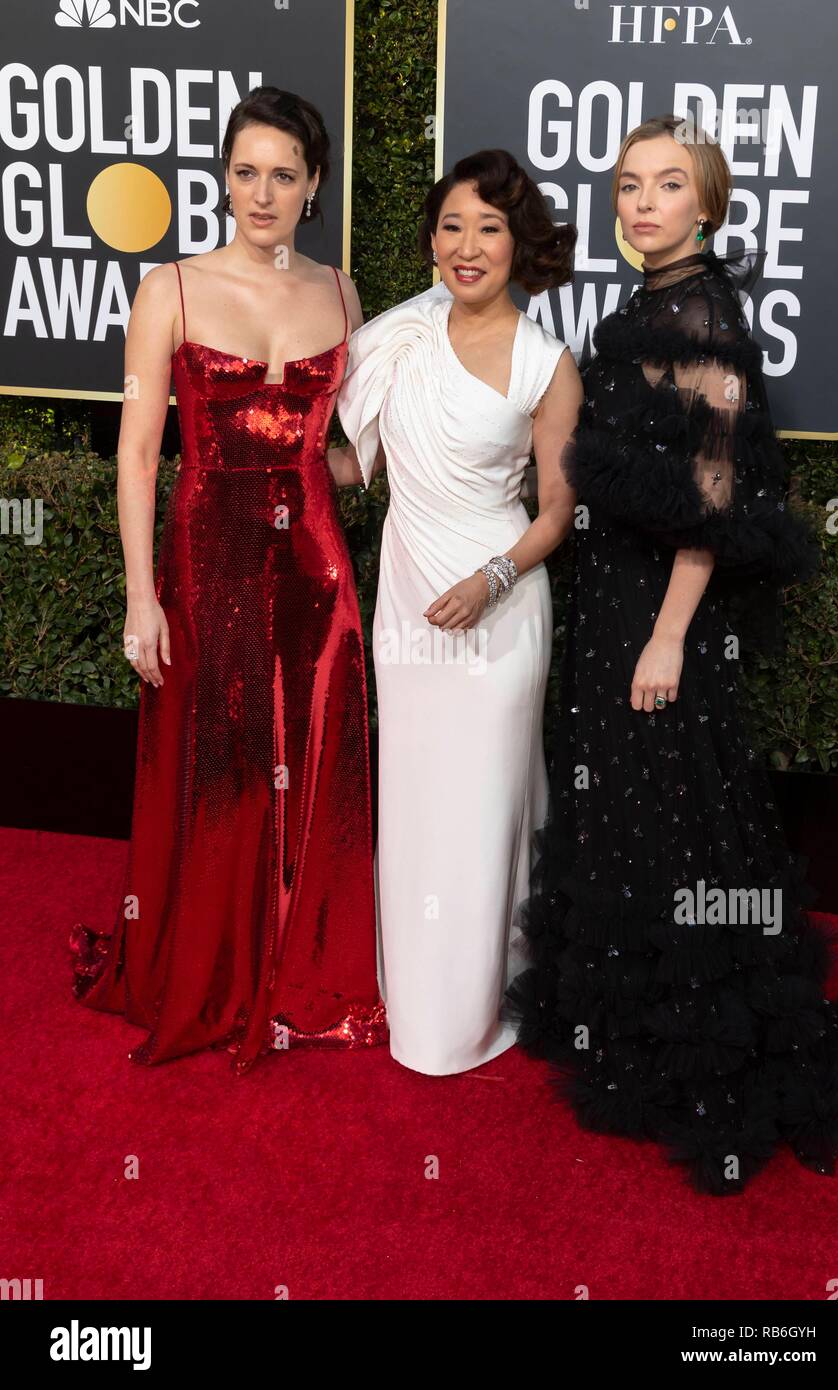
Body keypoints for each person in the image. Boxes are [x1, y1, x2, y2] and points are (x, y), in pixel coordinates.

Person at [505, 115, 838, 1193]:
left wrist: (666, 635)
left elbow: (712, 502)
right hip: (615, 596)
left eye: (666, 186)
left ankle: (692, 1050)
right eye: (627, 186)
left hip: (662, 611)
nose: (641, 203)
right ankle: (627, 1024)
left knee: (673, 812)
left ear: (704, 205)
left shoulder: (702, 314)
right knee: (625, 808)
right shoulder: (644, 306)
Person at [70, 87, 387, 1073]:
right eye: (245, 171)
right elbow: (134, 455)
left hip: (314, 575)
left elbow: (341, 450)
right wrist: (137, 595)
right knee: (217, 768)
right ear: (223, 177)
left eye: (283, 175)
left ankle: (298, 977)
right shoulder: (167, 287)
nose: (261, 192)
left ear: (313, 186)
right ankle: (206, 969)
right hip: (203, 567)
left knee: (311, 772)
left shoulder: (341, 295)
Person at [331, 150, 582, 1074]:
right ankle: (418, 996)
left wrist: (492, 580)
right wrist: (262, 462)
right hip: (406, 595)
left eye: (489, 228)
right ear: (432, 238)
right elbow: (358, 467)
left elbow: (557, 513)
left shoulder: (548, 364)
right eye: (452, 227)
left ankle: (481, 1005)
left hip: (499, 602)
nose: (467, 248)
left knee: (484, 805)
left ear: (521, 244)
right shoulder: (400, 336)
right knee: (417, 796)